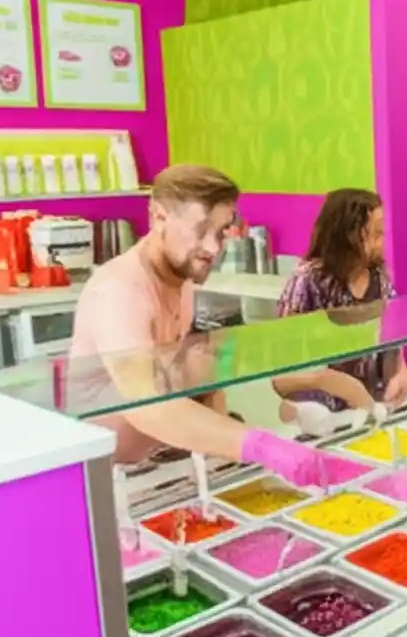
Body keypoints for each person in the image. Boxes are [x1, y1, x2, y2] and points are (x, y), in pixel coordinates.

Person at [69, 164, 328, 484]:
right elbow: (144, 404)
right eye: (200, 229)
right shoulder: (120, 290)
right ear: (159, 217)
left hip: (158, 462)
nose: (214, 248)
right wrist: (258, 446)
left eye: (220, 232)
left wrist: (222, 455)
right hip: (106, 475)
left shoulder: (182, 281)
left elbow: (192, 379)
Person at [276, 188, 407, 413]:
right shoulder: (308, 280)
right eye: (376, 235)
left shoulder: (380, 279)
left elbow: (392, 344)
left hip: (371, 413)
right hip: (320, 419)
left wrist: (400, 373)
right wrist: (322, 380)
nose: (383, 243)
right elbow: (280, 378)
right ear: (349, 237)